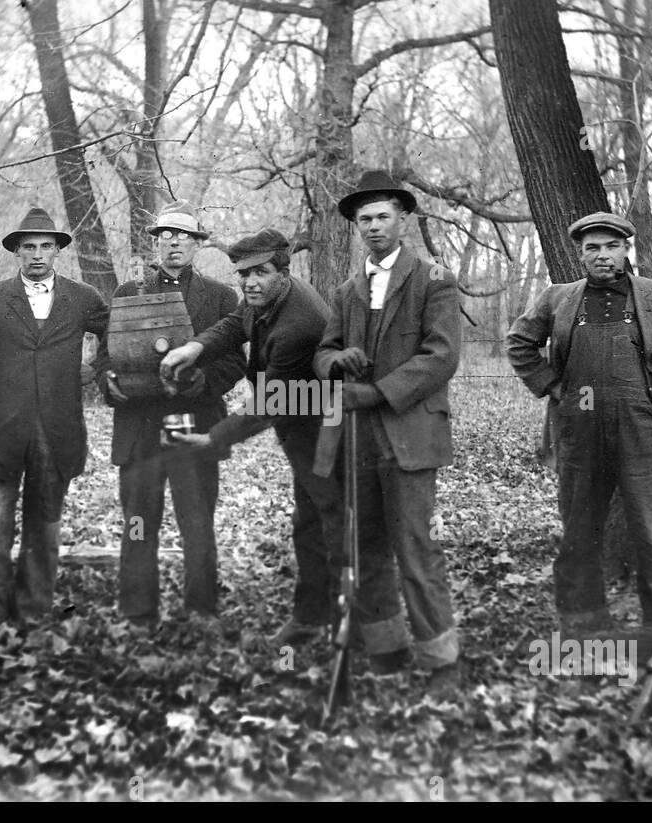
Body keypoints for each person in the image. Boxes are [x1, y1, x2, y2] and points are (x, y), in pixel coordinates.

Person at [506, 212, 652, 637]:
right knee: (579, 530)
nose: (602, 255)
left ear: (626, 250)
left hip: (645, 431)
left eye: (610, 246)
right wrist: (549, 385)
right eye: (592, 248)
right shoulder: (558, 298)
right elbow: (519, 342)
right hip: (579, 433)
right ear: (580, 254)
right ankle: (582, 625)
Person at [312, 170, 462, 696]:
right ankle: (387, 651)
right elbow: (323, 351)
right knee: (367, 547)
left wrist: (375, 393)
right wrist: (336, 361)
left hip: (410, 436)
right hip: (358, 441)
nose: (373, 227)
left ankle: (442, 663)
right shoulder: (348, 290)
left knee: (416, 549)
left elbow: (441, 357)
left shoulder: (434, 279)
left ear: (403, 219)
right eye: (364, 220)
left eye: (382, 217)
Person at [160, 228, 344, 649]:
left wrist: (213, 439)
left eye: (260, 272)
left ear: (283, 271)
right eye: (243, 273)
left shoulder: (300, 322)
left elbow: (269, 403)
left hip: (324, 434)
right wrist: (194, 348)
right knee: (310, 524)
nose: (250, 282)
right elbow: (233, 325)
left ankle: (343, 625)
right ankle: (314, 618)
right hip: (302, 425)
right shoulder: (268, 298)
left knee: (331, 526)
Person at [0, 208, 110, 636]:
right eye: (29, 247)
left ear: (58, 250)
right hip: (0, 432)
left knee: (44, 531)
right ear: (17, 252)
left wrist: (100, 372)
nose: (37, 255)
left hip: (57, 434)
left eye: (46, 246)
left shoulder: (84, 298)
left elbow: (116, 339)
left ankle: (34, 616)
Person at [98, 201, 244, 633]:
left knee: (196, 522)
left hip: (194, 426)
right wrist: (110, 383)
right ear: (155, 242)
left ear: (198, 244)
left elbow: (235, 361)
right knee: (139, 522)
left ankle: (201, 611)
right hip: (139, 428)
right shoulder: (129, 293)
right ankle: (137, 614)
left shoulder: (221, 297)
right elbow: (106, 356)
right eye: (165, 235)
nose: (174, 242)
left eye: (183, 236)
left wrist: (202, 381)